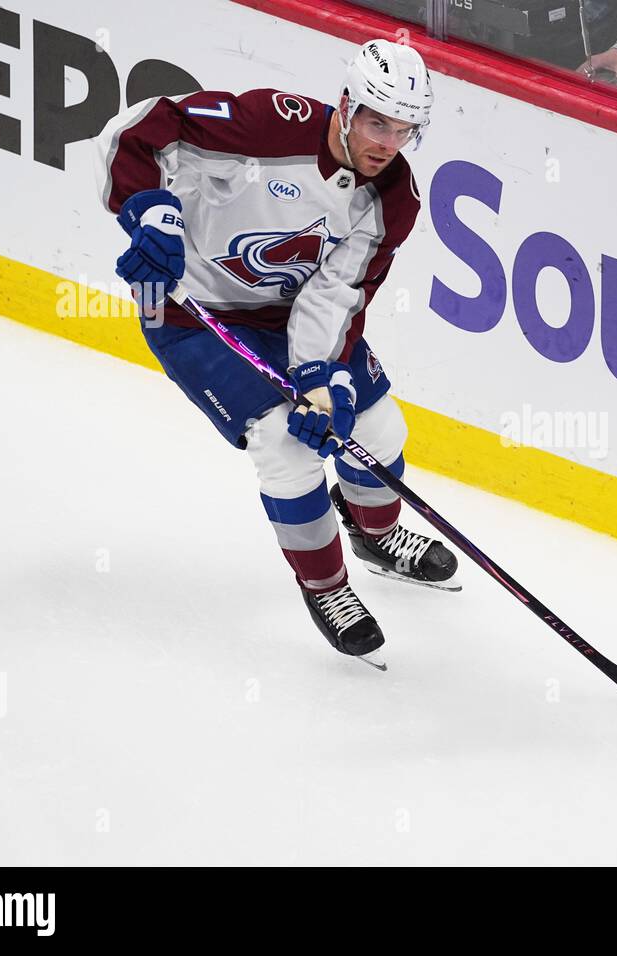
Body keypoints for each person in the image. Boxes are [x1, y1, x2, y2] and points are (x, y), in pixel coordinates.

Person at [95, 39, 458, 662]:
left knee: (379, 429)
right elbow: (141, 130)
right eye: (377, 122)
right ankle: (327, 586)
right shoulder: (269, 125)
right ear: (346, 106)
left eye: (405, 131)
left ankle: (377, 535)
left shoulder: (393, 197)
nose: (388, 144)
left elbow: (336, 294)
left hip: (289, 316)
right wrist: (150, 212)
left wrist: (322, 380)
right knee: (284, 444)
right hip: (191, 311)